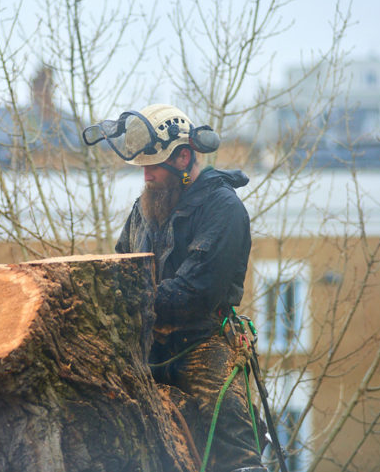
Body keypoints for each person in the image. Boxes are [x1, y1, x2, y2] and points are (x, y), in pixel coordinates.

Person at [84, 104, 267, 472]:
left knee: (228, 418)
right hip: (145, 342)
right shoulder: (144, 207)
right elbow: (122, 263)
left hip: (201, 339)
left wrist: (128, 300)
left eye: (153, 166)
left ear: (183, 157)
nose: (146, 175)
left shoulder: (223, 208)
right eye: (143, 167)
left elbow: (193, 291)